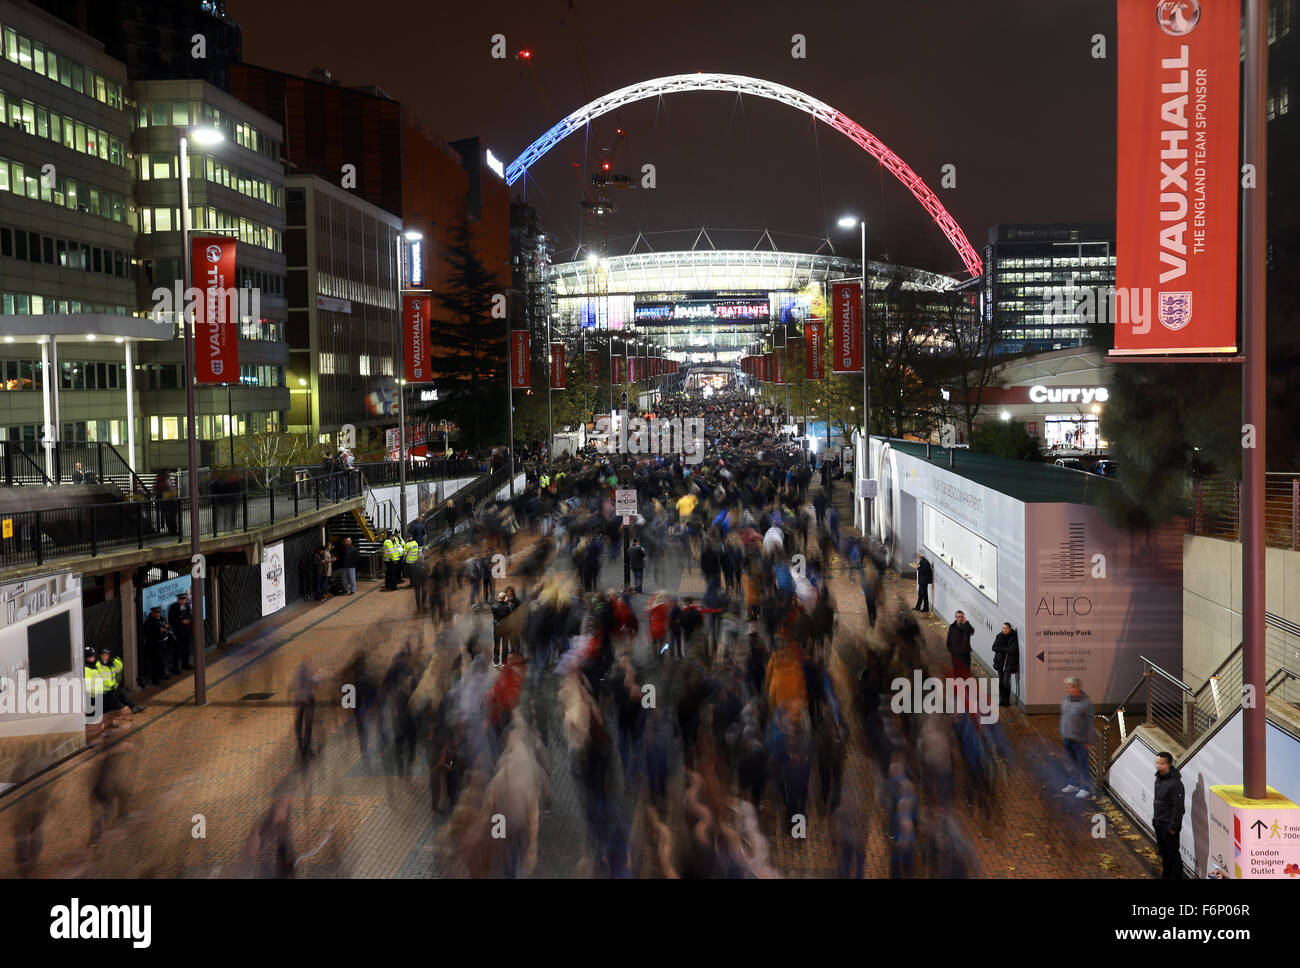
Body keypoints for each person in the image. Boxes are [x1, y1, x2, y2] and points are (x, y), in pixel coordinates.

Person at [1059, 676, 1096, 799]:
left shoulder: (1086, 703)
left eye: (1069, 687)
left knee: (1083, 764)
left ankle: (1085, 788)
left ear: (1076, 688)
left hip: (1079, 740)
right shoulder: (1067, 698)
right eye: (1067, 686)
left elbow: (1090, 724)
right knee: (1071, 763)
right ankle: (1073, 784)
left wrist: (1089, 741)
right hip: (1067, 737)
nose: (1067, 689)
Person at [1153, 752, 1186, 879]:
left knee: (1172, 855)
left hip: (1168, 826)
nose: (1158, 766)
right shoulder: (1159, 779)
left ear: (1169, 764)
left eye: (1162, 763)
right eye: (1157, 763)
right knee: (1164, 854)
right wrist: (1155, 820)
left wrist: (1172, 827)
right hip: (1159, 822)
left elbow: (1179, 808)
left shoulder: (1175, 784)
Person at [98, 647, 143, 714]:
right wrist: (111, 686)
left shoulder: (110, 663)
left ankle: (133, 707)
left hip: (112, 688)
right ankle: (125, 713)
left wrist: (114, 660)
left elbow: (120, 667)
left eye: (107, 654)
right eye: (104, 655)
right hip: (105, 691)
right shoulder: (99, 665)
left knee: (122, 695)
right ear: (100, 655)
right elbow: (104, 679)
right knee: (117, 704)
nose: (106, 656)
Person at [991, 622, 1019, 707]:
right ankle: (1001, 699)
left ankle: (1007, 700)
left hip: (1009, 663)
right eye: (1003, 628)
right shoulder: (999, 636)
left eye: (1005, 628)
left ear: (1009, 629)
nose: (1004, 630)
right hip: (1000, 662)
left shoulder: (1013, 637)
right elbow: (994, 647)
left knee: (1006, 681)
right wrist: (1005, 649)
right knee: (1001, 681)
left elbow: (1012, 649)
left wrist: (1002, 649)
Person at [168, 592, 194, 673]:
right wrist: (181, 622)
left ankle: (185, 664)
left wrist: (189, 621)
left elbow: (191, 617)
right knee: (177, 651)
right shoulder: (174, 607)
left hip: (187, 632)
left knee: (187, 649)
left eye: (184, 599)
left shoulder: (187, 606)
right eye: (181, 599)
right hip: (178, 633)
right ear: (178, 600)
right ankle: (176, 668)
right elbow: (172, 620)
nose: (183, 601)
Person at [945, 610, 974, 675]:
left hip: (965, 653)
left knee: (966, 670)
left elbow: (971, 631)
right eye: (958, 617)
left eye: (961, 617)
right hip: (955, 653)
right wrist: (952, 650)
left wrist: (966, 623)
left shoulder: (966, 626)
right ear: (956, 617)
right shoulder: (952, 627)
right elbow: (948, 639)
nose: (960, 618)